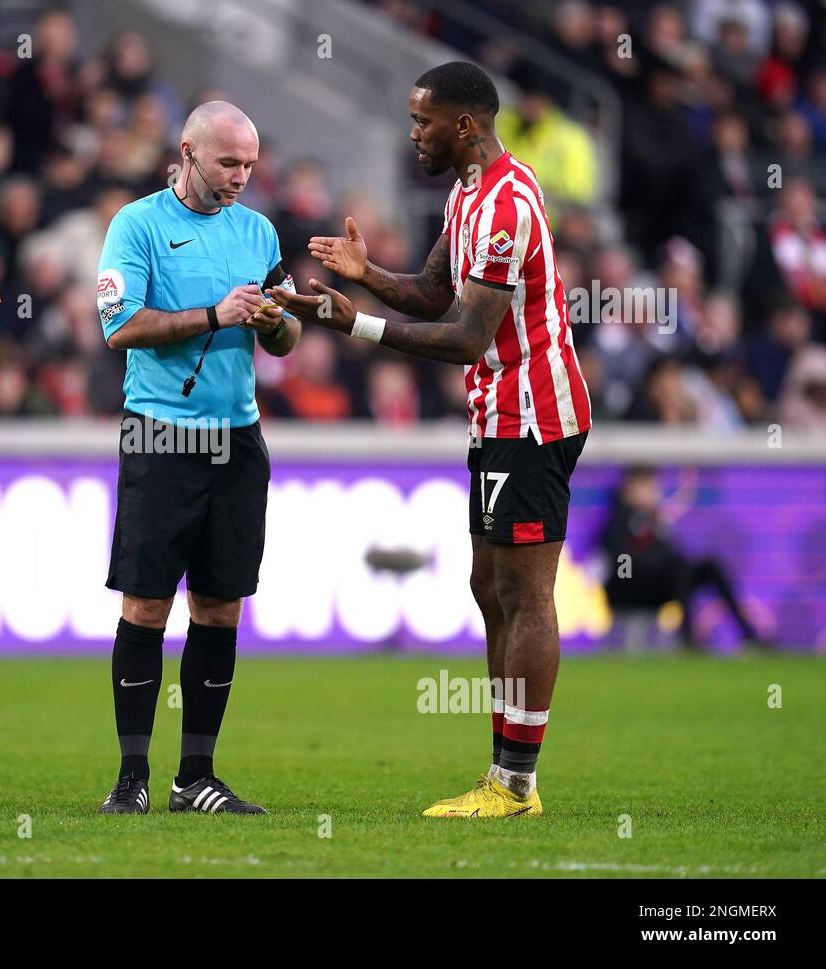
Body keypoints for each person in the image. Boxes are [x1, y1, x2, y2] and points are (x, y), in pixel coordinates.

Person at [273, 63, 592, 818]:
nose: (412, 132)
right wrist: (365, 276)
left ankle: (514, 784)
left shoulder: (508, 204)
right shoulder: (468, 193)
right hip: (495, 413)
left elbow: (463, 336)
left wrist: (356, 323)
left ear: (465, 127)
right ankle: (505, 772)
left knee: (526, 594)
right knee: (491, 588)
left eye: (423, 121)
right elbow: (435, 292)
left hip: (533, 414)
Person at [95, 100, 300, 815]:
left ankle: (196, 777)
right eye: (227, 163)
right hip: (160, 434)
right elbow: (121, 327)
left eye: (249, 164)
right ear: (187, 152)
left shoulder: (259, 230)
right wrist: (216, 314)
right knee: (147, 604)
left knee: (219, 607)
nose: (242, 176)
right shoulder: (138, 225)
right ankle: (131, 776)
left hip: (238, 438)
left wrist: (277, 322)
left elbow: (285, 337)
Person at [601, 466, 767, 649]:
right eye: (648, 486)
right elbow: (622, 563)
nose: (655, 491)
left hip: (663, 584)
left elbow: (671, 554)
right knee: (679, 570)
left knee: (709, 567)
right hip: (630, 590)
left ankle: (748, 635)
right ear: (630, 489)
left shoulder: (657, 519)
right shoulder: (619, 519)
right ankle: (688, 638)